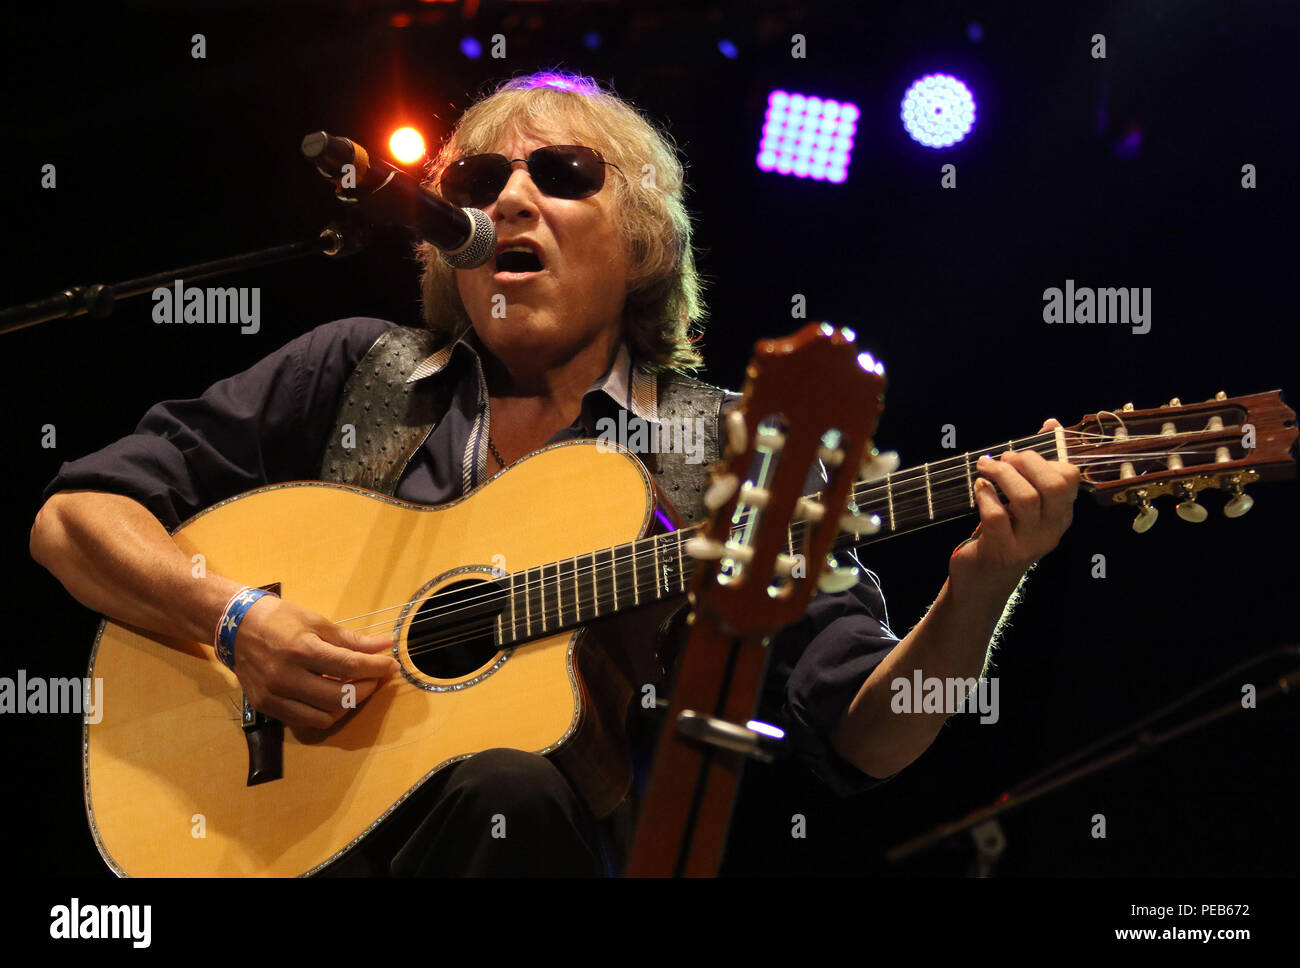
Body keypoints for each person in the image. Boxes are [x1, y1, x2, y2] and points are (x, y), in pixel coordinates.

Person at [29, 72, 1080, 876]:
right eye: (480, 184)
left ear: (642, 241)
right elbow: (74, 516)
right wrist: (234, 621)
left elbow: (865, 738)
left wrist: (984, 578)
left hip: (536, 848)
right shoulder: (357, 366)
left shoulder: (727, 447)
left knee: (509, 783)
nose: (514, 198)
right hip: (290, 834)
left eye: (564, 175)